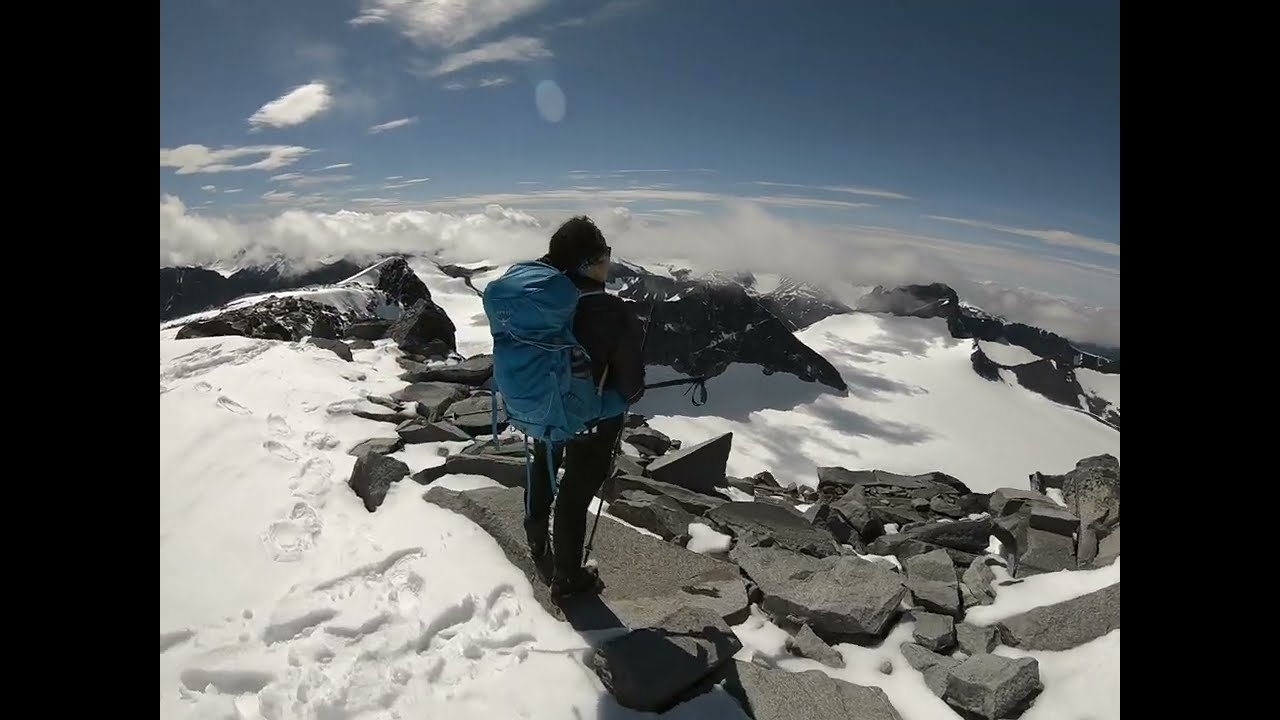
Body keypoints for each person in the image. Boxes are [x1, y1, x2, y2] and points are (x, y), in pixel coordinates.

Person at [523, 216, 645, 598]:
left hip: (541, 406)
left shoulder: (535, 300)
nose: (609, 262)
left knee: (543, 462)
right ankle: (567, 577)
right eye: (604, 255)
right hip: (590, 420)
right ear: (588, 264)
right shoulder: (612, 312)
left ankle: (536, 533)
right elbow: (631, 384)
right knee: (576, 490)